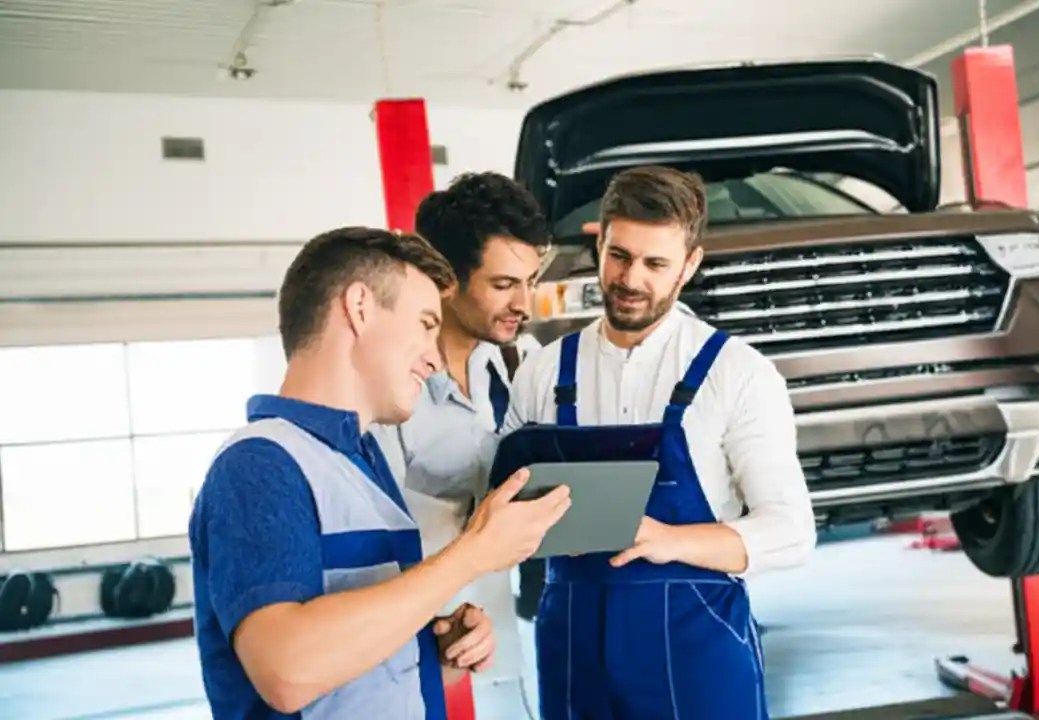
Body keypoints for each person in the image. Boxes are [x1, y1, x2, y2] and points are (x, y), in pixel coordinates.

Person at [188, 226, 570, 719]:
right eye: (426, 324)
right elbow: (287, 671)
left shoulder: (362, 461)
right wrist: (471, 554)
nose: (435, 360)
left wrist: (435, 648)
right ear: (360, 307)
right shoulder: (261, 463)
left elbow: (351, 664)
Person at [503, 166, 817, 719]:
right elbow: (497, 500)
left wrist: (667, 540)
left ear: (690, 264)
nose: (631, 279)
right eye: (619, 256)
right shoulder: (541, 372)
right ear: (598, 241)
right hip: (572, 638)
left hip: (694, 635)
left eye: (655, 264)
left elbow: (791, 531)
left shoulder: (738, 373)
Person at [372, 172, 549, 679]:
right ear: (447, 279)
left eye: (529, 283)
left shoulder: (524, 362)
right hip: (412, 631)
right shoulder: (391, 386)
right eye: (503, 285)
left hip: (510, 626)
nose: (524, 305)